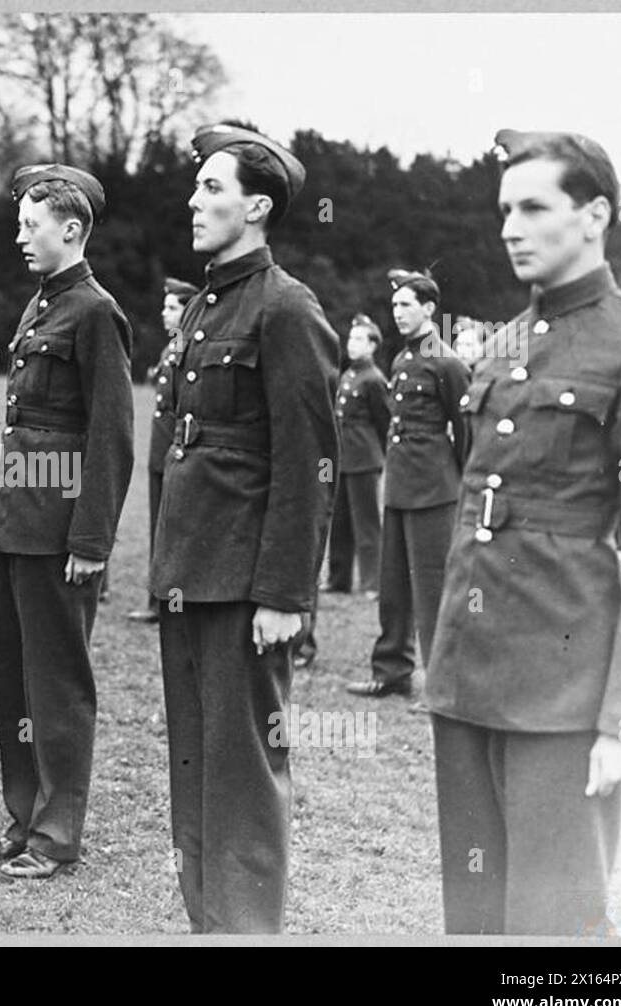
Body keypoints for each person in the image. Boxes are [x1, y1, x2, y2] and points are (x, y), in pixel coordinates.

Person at [426, 129, 621, 934]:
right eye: (503, 210)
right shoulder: (503, 343)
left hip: (563, 690)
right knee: (477, 912)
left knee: (554, 932)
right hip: (469, 673)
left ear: (594, 215)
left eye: (532, 207)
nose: (509, 228)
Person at [150, 123, 339, 932]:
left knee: (245, 777)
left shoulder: (285, 309)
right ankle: (209, 924)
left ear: (257, 207)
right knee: (195, 771)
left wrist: (284, 595)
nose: (195, 200)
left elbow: (308, 465)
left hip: (242, 584)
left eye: (213, 188)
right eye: (197, 187)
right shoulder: (205, 302)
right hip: (189, 573)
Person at [0, 164, 134, 880]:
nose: (20, 237)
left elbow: (112, 434)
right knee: (14, 676)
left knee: (56, 684)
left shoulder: (96, 312)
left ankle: (58, 835)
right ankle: (24, 816)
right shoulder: (38, 307)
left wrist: (90, 540)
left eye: (32, 226)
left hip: (62, 534)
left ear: (72, 229)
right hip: (20, 523)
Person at [345, 269, 469, 699]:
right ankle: (391, 671)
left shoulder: (448, 364)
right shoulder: (400, 359)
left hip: (434, 492)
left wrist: (455, 485)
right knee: (393, 584)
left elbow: (464, 433)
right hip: (398, 487)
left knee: (432, 590)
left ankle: (441, 684)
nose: (397, 313)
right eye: (395, 305)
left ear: (429, 309)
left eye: (406, 305)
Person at [126, 275, 198, 625]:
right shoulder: (172, 347)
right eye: (165, 306)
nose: (164, 313)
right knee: (159, 527)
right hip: (160, 450)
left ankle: (172, 602)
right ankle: (158, 601)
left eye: (172, 307)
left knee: (175, 531)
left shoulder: (189, 350)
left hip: (177, 452)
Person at [327, 314, 391, 598]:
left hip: (364, 458)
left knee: (366, 523)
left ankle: (371, 582)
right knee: (339, 521)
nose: (351, 345)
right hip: (343, 457)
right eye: (350, 339)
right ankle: (338, 579)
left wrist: (380, 455)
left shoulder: (374, 379)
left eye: (358, 340)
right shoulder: (348, 374)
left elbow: (384, 422)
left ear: (372, 345)